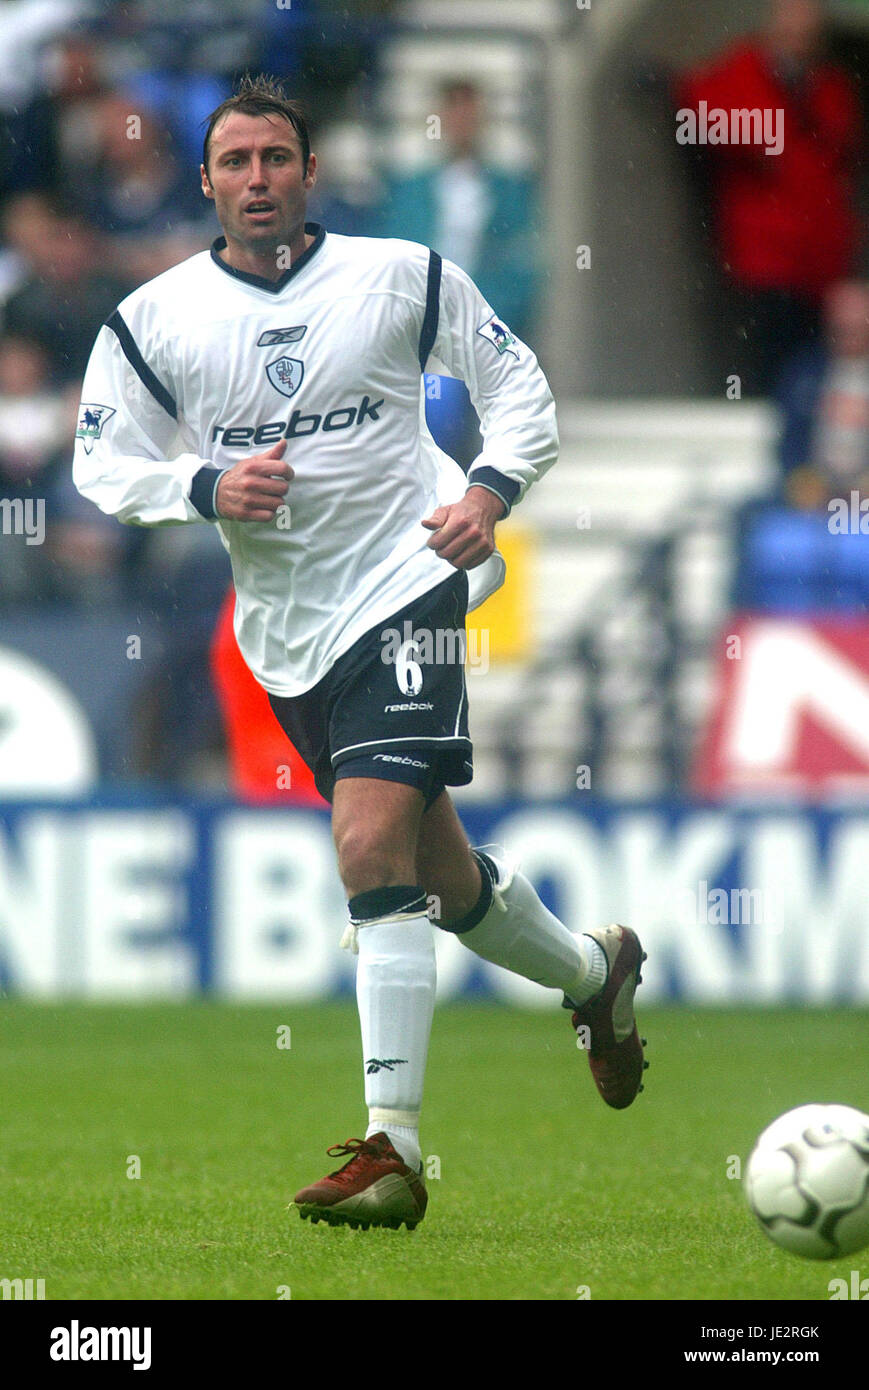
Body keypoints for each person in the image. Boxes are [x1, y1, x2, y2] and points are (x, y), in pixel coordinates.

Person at [73, 75, 647, 1232]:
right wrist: (200, 483)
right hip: (287, 636)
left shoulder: (398, 275)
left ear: (308, 173)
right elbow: (101, 465)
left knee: (366, 837)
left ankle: (393, 1150)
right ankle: (596, 976)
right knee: (440, 881)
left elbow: (517, 390)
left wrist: (488, 491)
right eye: (233, 162)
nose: (255, 180)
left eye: (275, 159)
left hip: (409, 583)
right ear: (205, 180)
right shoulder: (157, 318)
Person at [677, 0, 862, 396]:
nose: (801, 31)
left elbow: (835, 156)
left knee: (812, 373)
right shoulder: (742, 74)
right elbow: (698, 110)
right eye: (793, 18)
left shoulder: (828, 87)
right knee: (766, 366)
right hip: (764, 261)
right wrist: (758, 141)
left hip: (818, 265)